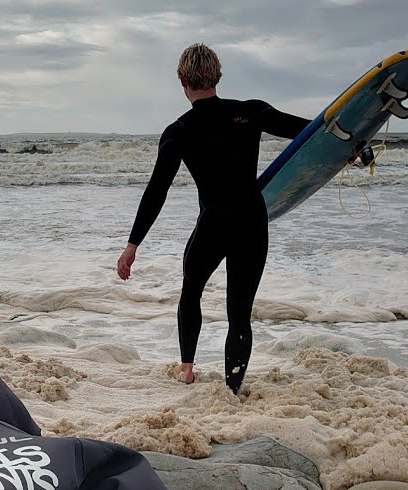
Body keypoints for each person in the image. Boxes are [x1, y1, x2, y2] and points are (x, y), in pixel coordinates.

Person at [116, 43, 310, 394]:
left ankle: (187, 368)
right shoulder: (252, 112)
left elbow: (156, 191)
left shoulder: (178, 131)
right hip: (252, 223)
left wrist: (132, 245)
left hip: (213, 226)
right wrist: (354, 146)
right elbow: (311, 134)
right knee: (240, 312)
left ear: (182, 81)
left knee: (191, 292)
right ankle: (232, 389)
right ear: (217, 76)